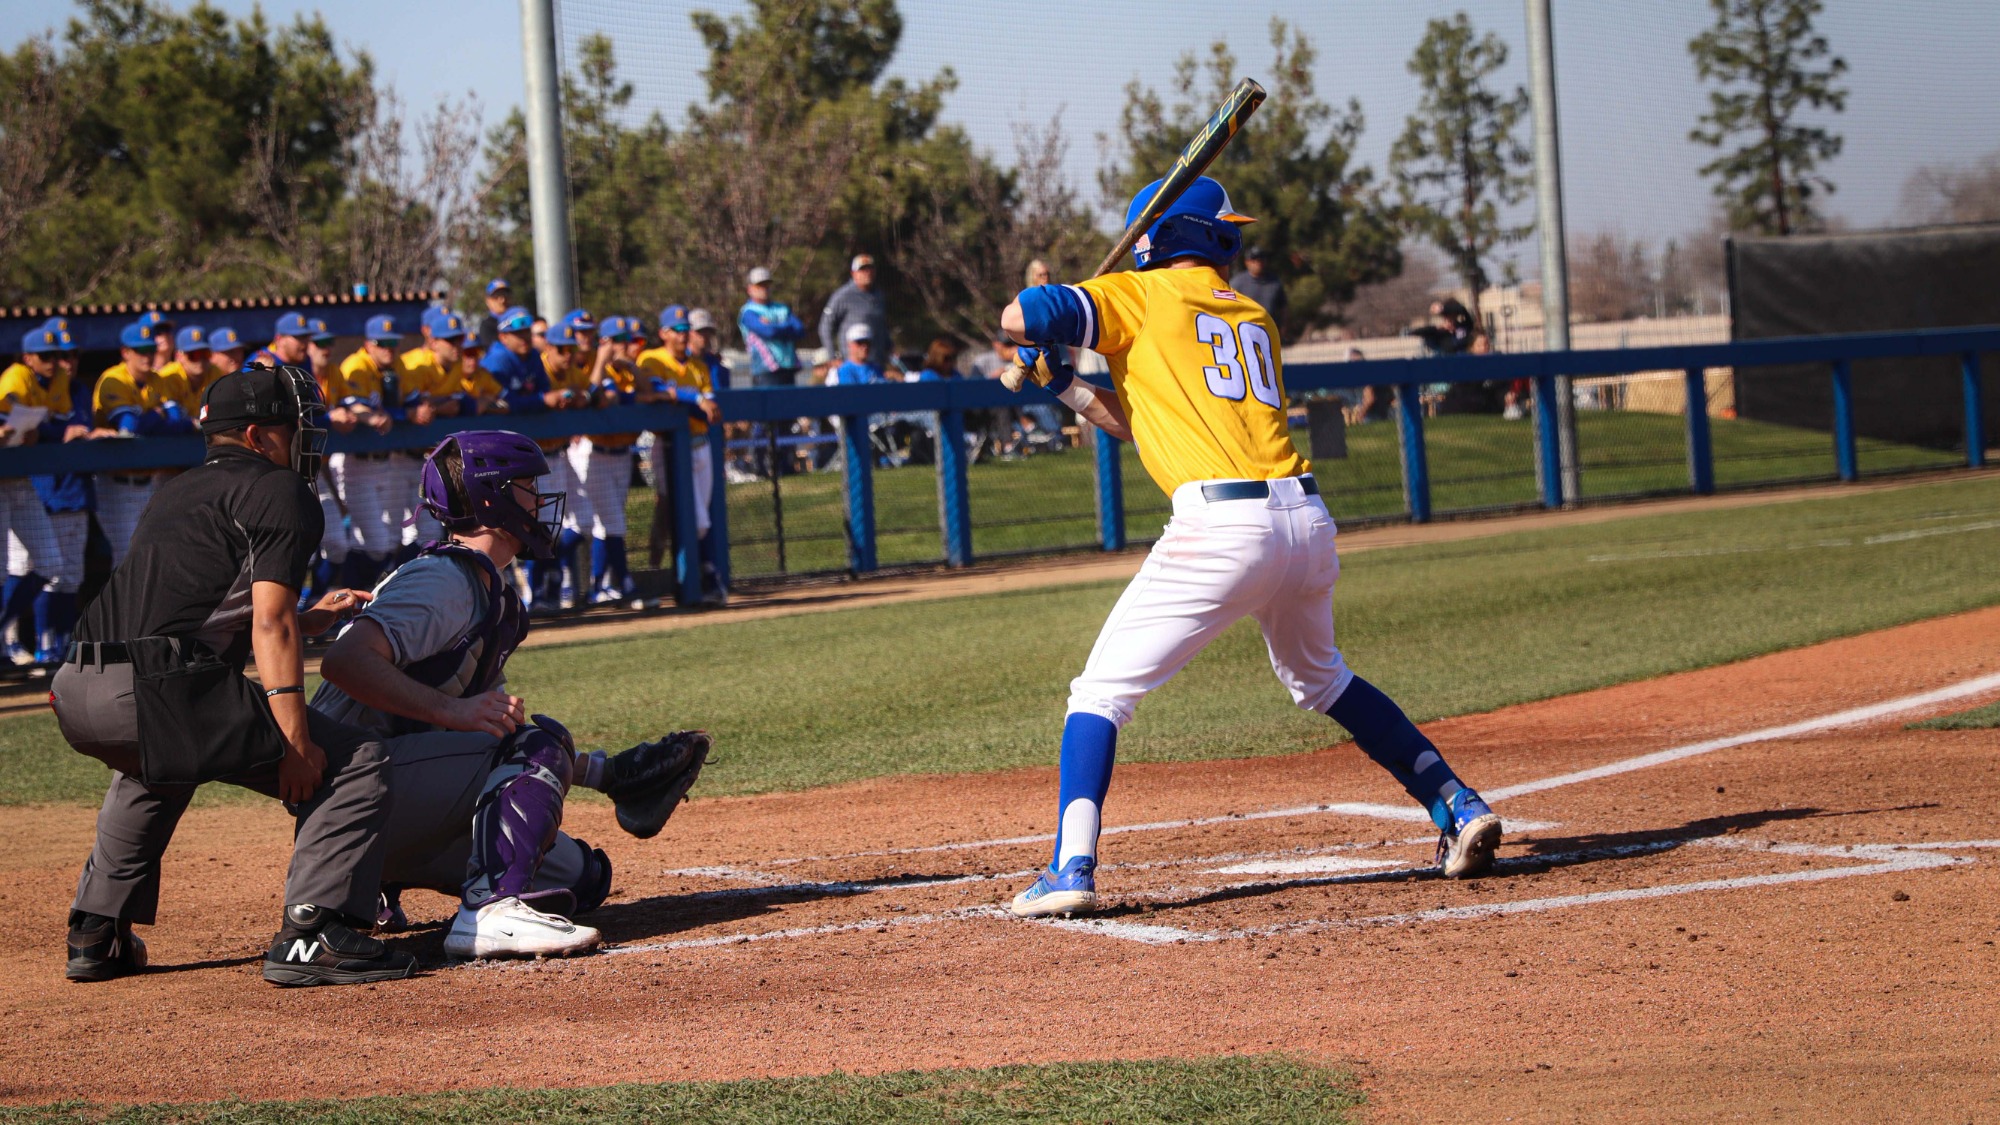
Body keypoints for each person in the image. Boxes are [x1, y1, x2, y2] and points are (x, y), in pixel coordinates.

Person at [996, 174, 1503, 918]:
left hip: (1221, 527)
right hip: (1304, 521)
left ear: (1151, 241)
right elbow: (1145, 424)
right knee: (1323, 679)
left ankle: (1071, 866)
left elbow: (1017, 313)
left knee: (1098, 694)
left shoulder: (1137, 296)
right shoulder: (1252, 313)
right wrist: (1068, 384)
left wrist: (1068, 307)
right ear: (1213, 237)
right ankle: (1455, 801)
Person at [51, 364, 416, 987]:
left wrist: (310, 618)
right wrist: (295, 739)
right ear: (255, 436)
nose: (304, 437)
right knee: (354, 761)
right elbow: (267, 626)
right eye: (292, 426)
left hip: (75, 685)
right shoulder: (280, 490)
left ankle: (95, 931)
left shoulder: (178, 489)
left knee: (163, 758)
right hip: (148, 687)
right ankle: (313, 932)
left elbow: (186, 611)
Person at [310, 430, 711, 957]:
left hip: (383, 802)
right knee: (535, 746)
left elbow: (483, 725)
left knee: (581, 881)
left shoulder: (483, 585)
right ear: (491, 496)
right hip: (357, 799)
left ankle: (380, 887)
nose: (540, 501)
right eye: (527, 487)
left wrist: (602, 774)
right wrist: (452, 712)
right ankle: (490, 911)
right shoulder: (441, 581)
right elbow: (344, 662)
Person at [1, 323, 98, 669]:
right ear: (28, 358)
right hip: (12, 480)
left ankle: (12, 635)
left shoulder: (59, 382)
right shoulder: (15, 377)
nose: (54, 362)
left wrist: (39, 431)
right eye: (46, 356)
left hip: (20, 481)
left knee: (53, 565)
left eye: (58, 355)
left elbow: (48, 425)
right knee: (7, 568)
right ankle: (7, 642)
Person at [92, 320, 198, 566]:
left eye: (150, 350)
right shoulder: (113, 378)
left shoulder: (156, 380)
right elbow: (130, 426)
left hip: (146, 482)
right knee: (127, 560)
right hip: (114, 482)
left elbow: (176, 425)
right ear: (125, 352)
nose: (147, 356)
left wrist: (153, 418)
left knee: (149, 557)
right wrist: (155, 415)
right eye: (140, 351)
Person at [637, 306, 724, 603]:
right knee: (681, 516)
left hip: (700, 444)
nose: (683, 333)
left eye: (685, 328)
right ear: (663, 333)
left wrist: (694, 398)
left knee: (700, 516)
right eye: (676, 329)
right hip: (669, 447)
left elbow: (710, 401)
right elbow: (656, 388)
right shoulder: (652, 358)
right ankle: (694, 576)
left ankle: (698, 577)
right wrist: (695, 398)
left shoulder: (698, 366)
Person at [569, 316, 647, 606]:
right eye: (615, 340)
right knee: (611, 522)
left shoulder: (627, 368)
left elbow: (647, 389)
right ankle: (625, 584)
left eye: (624, 340)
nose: (622, 345)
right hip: (597, 453)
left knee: (606, 525)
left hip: (623, 454)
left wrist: (629, 365)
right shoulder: (591, 364)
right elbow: (593, 394)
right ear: (604, 342)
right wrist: (601, 361)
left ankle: (599, 585)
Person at [328, 315, 408, 590]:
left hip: (386, 463)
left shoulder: (396, 365)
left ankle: (347, 600)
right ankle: (335, 594)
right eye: (382, 343)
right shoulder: (355, 365)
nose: (389, 348)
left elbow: (412, 402)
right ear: (368, 344)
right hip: (355, 462)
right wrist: (373, 416)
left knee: (380, 542)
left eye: (393, 343)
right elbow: (355, 406)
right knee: (376, 544)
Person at [818, 253, 891, 369]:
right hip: (852, 366)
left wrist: (889, 349)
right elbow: (825, 326)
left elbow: (884, 327)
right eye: (862, 270)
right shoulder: (842, 295)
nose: (867, 273)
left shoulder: (879, 296)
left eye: (870, 269)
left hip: (877, 364)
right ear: (853, 273)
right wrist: (833, 356)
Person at [739, 266, 804, 387]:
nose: (764, 289)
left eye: (767, 285)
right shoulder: (748, 312)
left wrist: (774, 326)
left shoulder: (782, 308)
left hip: (788, 367)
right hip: (765, 371)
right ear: (750, 289)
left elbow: (799, 329)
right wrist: (784, 327)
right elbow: (768, 332)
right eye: (760, 285)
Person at [1229, 246, 1288, 332]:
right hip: (1245, 333)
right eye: (1254, 260)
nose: (1258, 263)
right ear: (1247, 262)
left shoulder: (1274, 282)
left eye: (1261, 259)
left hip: (1270, 331)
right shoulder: (1237, 283)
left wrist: (1284, 326)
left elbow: (1283, 307)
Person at [689, 309, 730, 391]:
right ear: (689, 332)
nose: (705, 335)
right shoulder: (680, 361)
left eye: (708, 330)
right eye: (699, 331)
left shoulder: (716, 365)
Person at [475, 278, 511, 354]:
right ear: (488, 301)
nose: (502, 300)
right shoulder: (487, 326)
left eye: (505, 295)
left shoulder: (517, 320)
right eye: (496, 296)